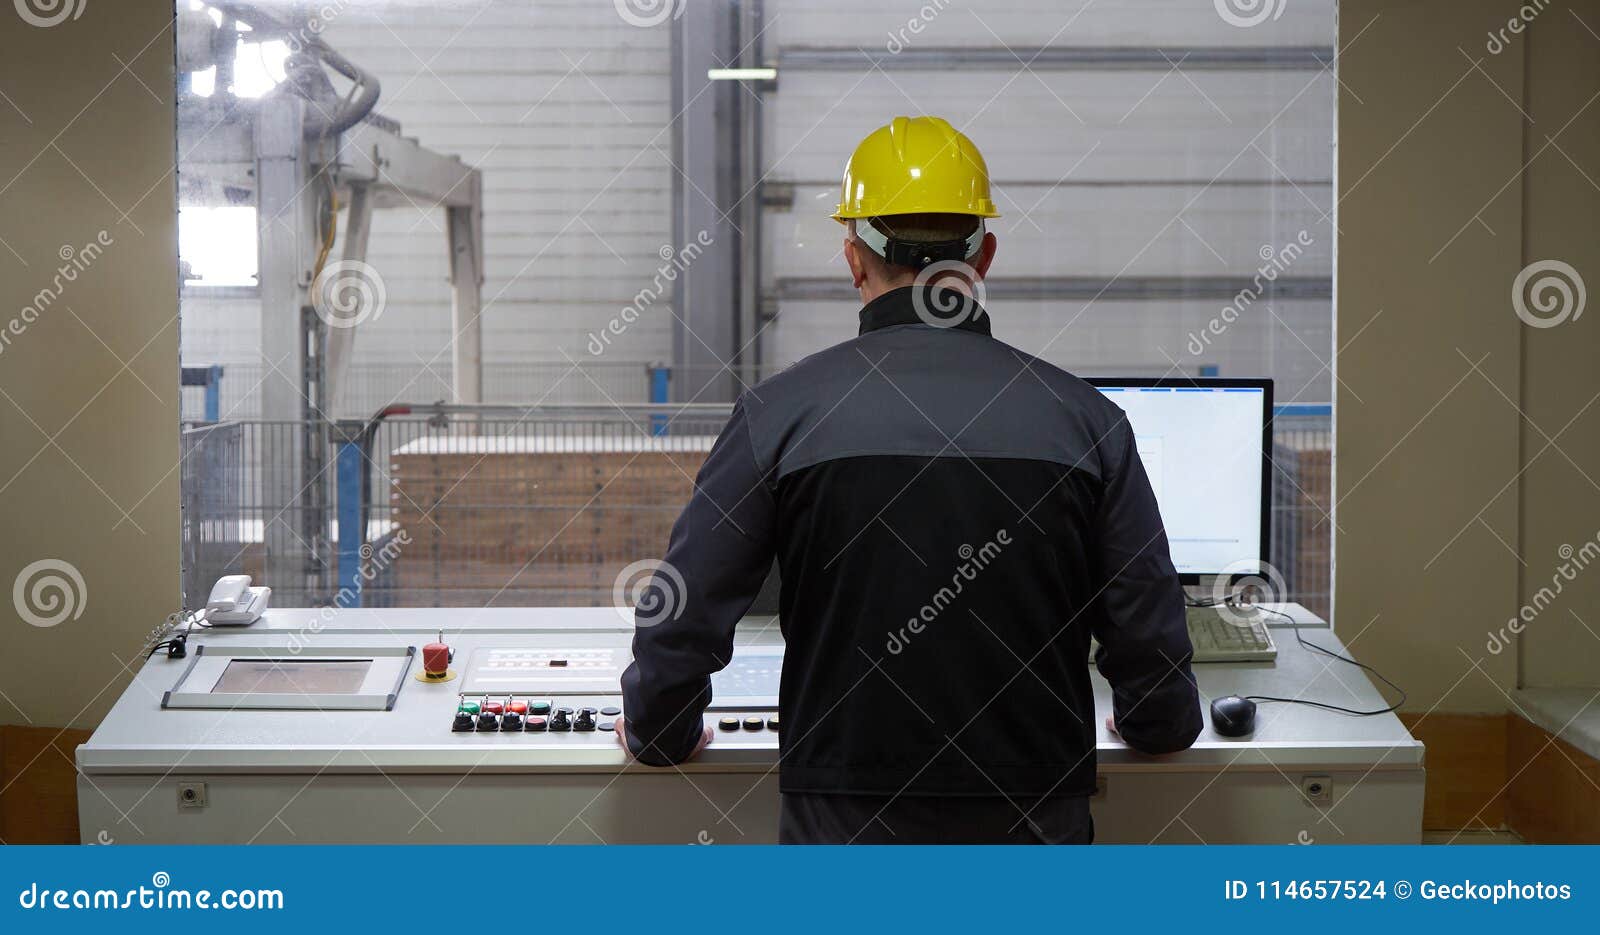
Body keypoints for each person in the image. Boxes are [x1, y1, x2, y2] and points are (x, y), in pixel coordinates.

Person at [617, 115, 1201, 844]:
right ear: (982, 256)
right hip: (1033, 823)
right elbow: (1150, 636)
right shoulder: (1088, 422)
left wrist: (661, 728)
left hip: (843, 831)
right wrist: (1156, 721)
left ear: (853, 259)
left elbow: (683, 611)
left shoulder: (779, 414)